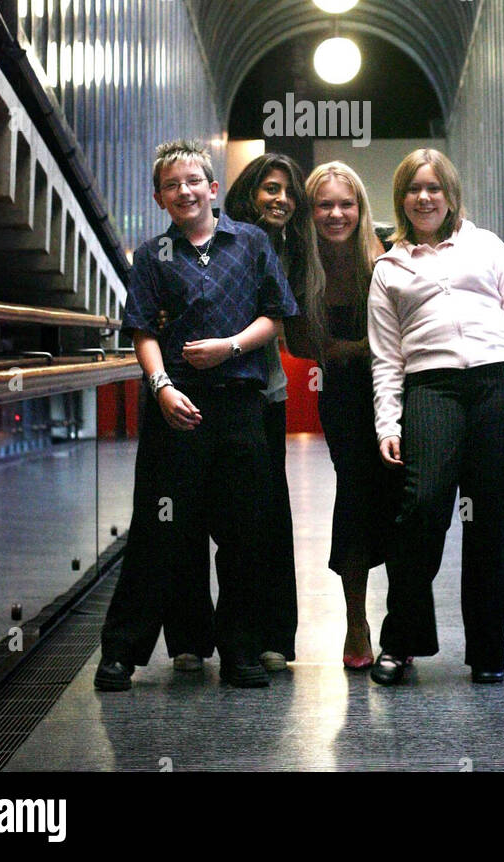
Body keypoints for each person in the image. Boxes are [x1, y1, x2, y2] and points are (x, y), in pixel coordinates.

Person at [95, 139, 298, 691]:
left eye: (193, 181)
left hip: (238, 405)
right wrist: (160, 388)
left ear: (212, 188)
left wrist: (230, 346)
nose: (184, 191)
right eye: (171, 185)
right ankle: (121, 652)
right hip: (176, 407)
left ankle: (242, 651)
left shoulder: (251, 242)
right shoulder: (152, 255)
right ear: (160, 198)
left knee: (243, 534)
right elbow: (142, 329)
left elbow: (275, 316)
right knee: (158, 531)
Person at [366, 148, 504, 686]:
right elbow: (385, 357)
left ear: (451, 195)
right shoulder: (388, 268)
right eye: (413, 189)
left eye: (434, 188)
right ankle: (401, 640)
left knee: (489, 518)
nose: (424, 197)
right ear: (401, 200)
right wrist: (388, 424)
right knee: (423, 507)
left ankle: (486, 651)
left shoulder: (487, 245)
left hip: (496, 387)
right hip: (430, 389)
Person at [288, 161, 400, 669]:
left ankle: (402, 626)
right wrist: (359, 350)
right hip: (345, 399)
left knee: (402, 499)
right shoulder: (298, 261)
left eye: (345, 204)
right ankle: (357, 621)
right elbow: (298, 338)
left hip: (398, 393)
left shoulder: (387, 254)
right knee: (356, 498)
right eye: (324, 205)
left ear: (361, 207)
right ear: (310, 212)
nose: (336, 213)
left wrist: (352, 349)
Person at [224, 152, 322, 670]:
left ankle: (274, 637)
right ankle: (200, 641)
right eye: (269, 188)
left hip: (266, 395)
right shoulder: (216, 242)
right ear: (248, 192)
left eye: (288, 191)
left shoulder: (293, 250)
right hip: (214, 394)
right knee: (215, 517)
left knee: (268, 515)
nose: (281, 199)